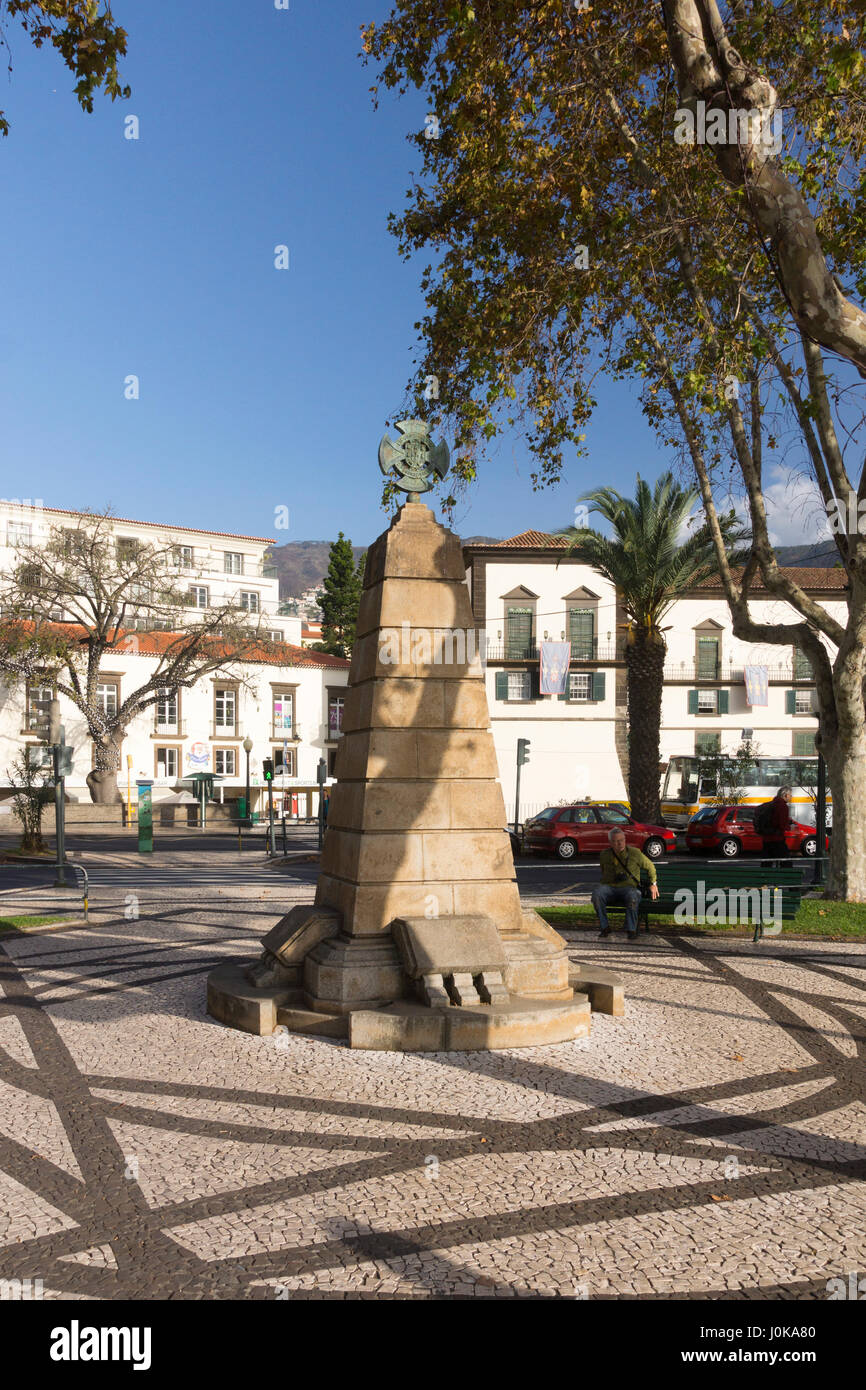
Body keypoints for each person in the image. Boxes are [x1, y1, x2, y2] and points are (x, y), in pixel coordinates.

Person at [592, 827, 660, 941]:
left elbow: (650, 867)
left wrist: (653, 883)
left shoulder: (634, 853)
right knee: (597, 894)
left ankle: (631, 929)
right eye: (616, 841)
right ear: (610, 842)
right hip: (610, 887)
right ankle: (605, 927)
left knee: (633, 896)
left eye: (622, 840)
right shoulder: (604, 854)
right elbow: (603, 870)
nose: (620, 843)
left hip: (629, 888)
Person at [763, 785, 792, 859]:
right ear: (785, 795)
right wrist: (788, 826)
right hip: (777, 839)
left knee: (767, 864)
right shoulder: (783, 806)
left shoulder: (772, 803)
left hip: (766, 839)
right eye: (790, 795)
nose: (791, 797)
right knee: (786, 863)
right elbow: (781, 824)